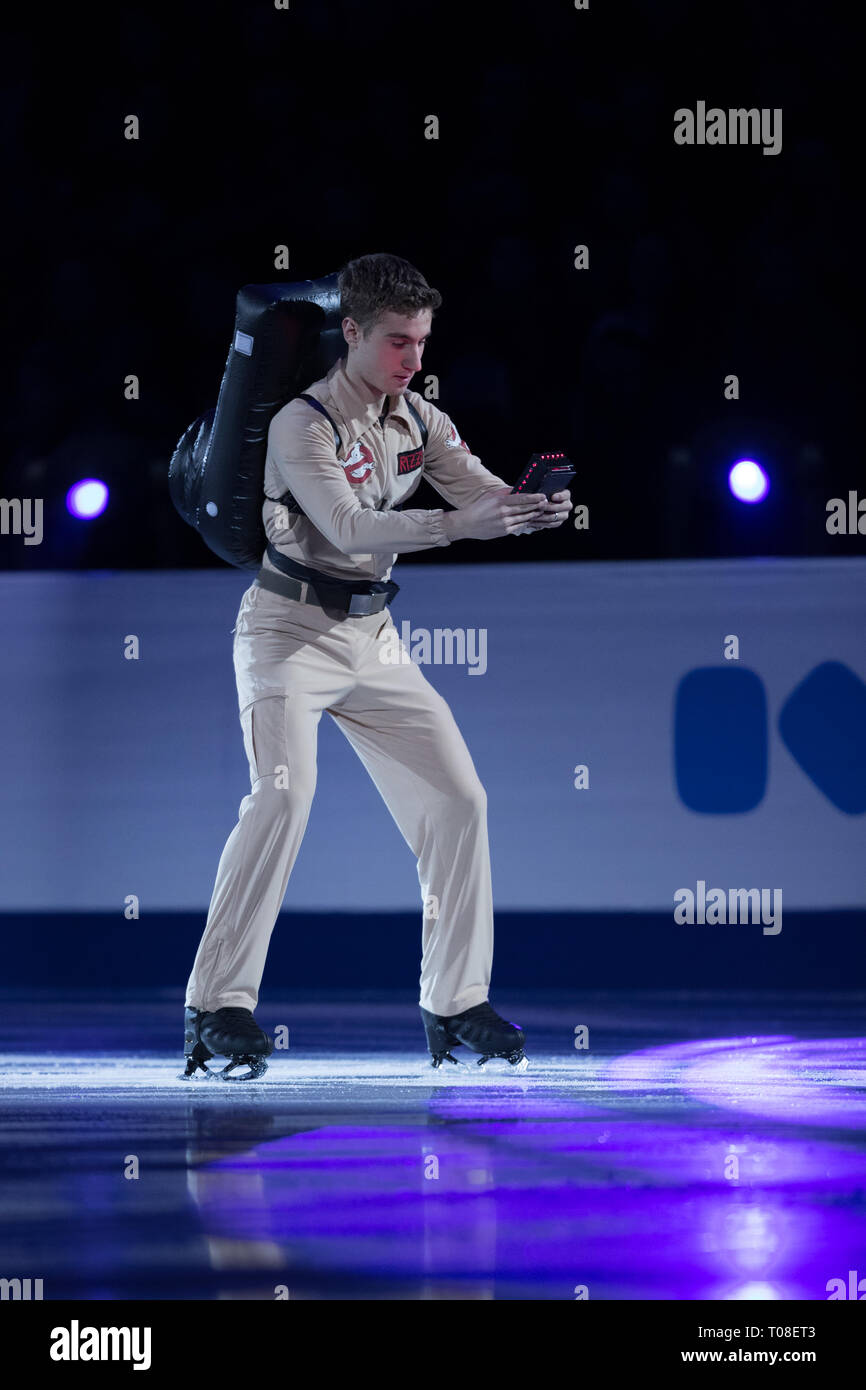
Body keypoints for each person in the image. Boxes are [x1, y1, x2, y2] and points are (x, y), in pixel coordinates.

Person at [180, 253, 572, 1079]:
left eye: (423, 342)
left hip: (373, 639)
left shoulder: (418, 419)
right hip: (286, 629)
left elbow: (476, 490)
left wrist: (526, 507)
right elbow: (353, 529)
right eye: (399, 342)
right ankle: (217, 1003)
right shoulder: (300, 425)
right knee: (282, 796)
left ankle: (455, 1000)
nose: (414, 360)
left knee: (459, 798)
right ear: (350, 333)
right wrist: (468, 527)